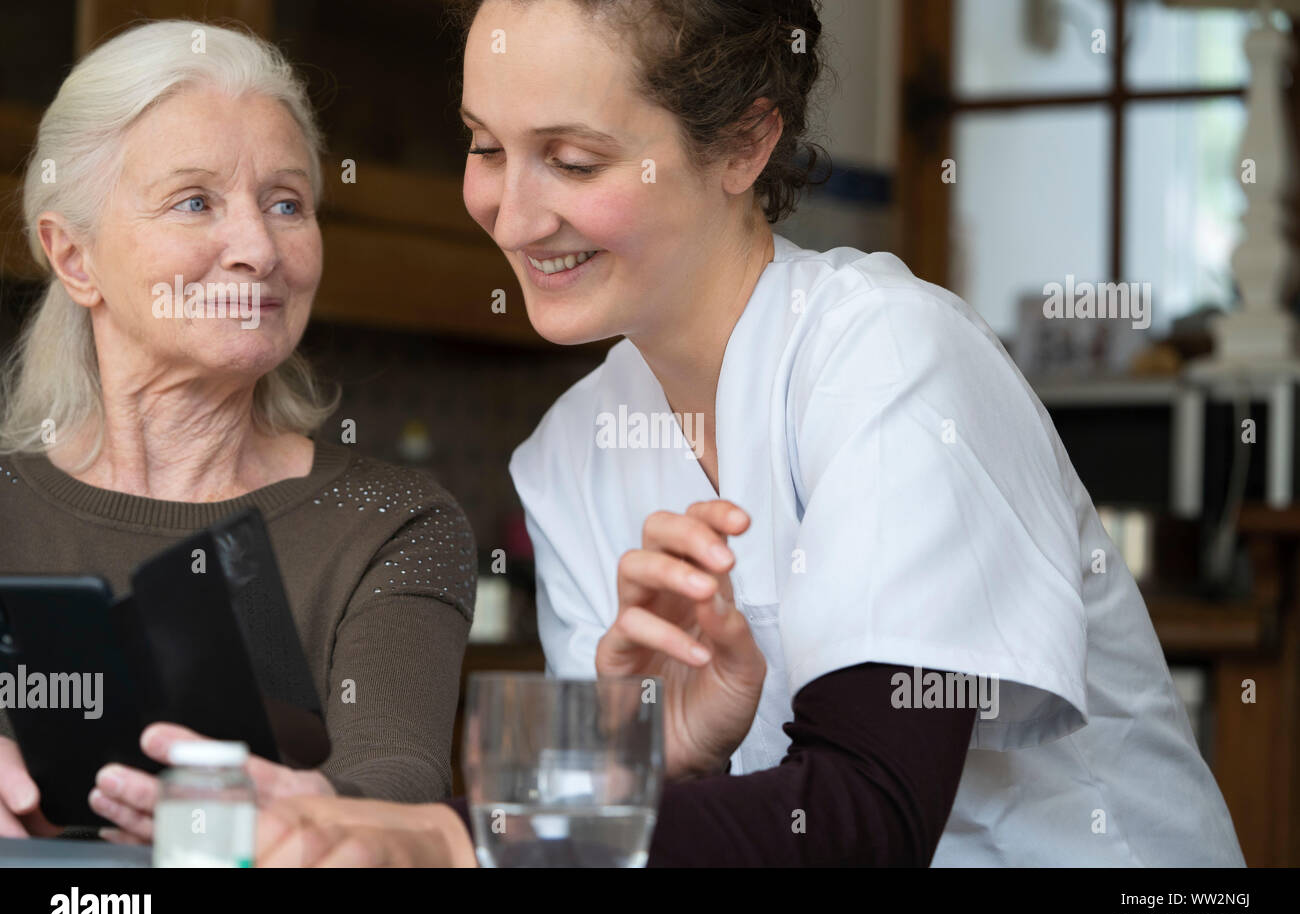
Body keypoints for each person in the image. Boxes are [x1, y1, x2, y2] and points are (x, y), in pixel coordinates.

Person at [257, 0, 1246, 867]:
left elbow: (869, 813)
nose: (510, 215)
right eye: (483, 146)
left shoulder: (894, 359)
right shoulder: (565, 456)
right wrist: (662, 759)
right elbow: (600, 849)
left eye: (570, 159)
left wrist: (454, 838)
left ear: (742, 144)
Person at [0, 20, 476, 843]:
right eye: (195, 201)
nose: (259, 247)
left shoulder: (393, 522)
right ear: (74, 258)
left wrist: (258, 824)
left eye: (286, 203)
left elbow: (396, 791)